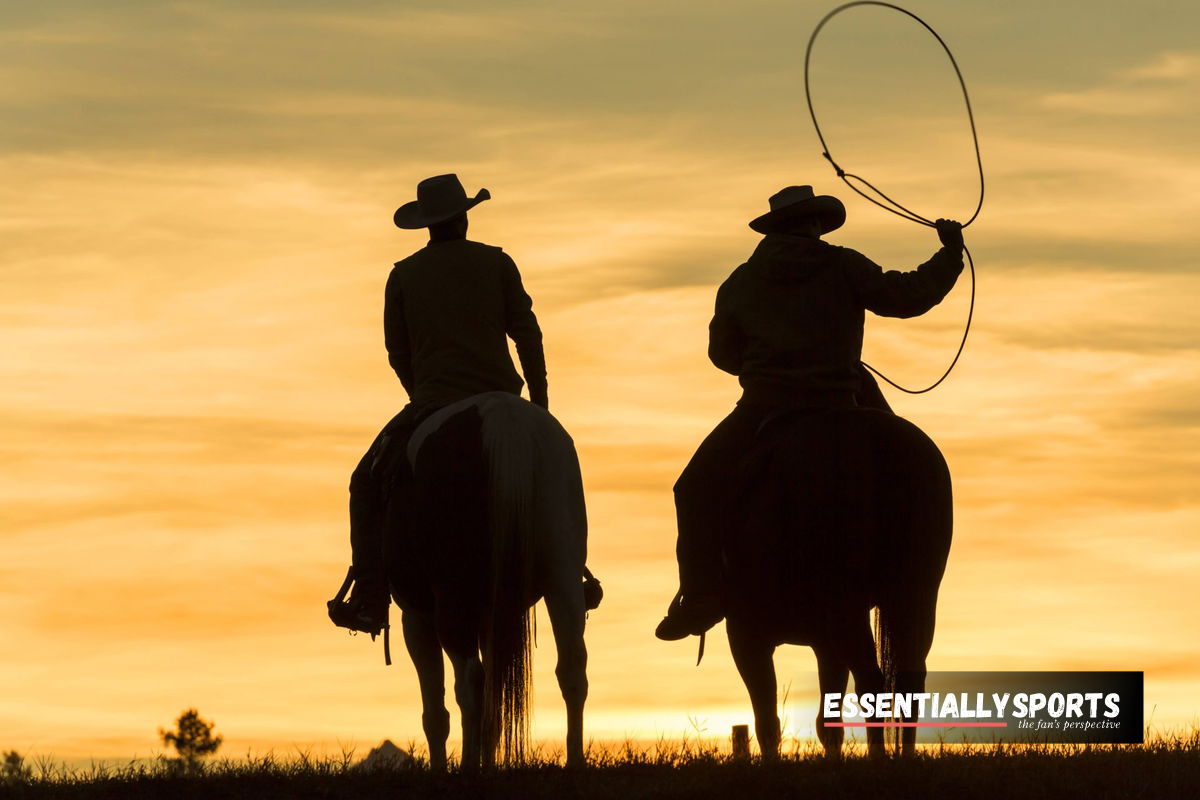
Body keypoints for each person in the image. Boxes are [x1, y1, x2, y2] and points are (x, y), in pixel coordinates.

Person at [654, 184, 965, 641]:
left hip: (764, 407)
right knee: (903, 456)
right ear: (816, 224)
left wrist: (764, 365)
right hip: (840, 399)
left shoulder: (741, 280)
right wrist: (950, 255)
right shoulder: (844, 264)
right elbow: (905, 296)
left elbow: (722, 354)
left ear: (775, 228)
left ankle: (702, 596)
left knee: (694, 488)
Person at [328, 173, 548, 635]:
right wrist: (540, 404)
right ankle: (572, 571)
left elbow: (397, 352)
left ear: (427, 224)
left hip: (434, 400)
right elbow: (527, 334)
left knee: (365, 483)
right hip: (503, 395)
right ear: (465, 217)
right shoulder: (497, 262)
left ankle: (370, 596)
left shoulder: (403, 275)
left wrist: (422, 394)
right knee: (552, 471)